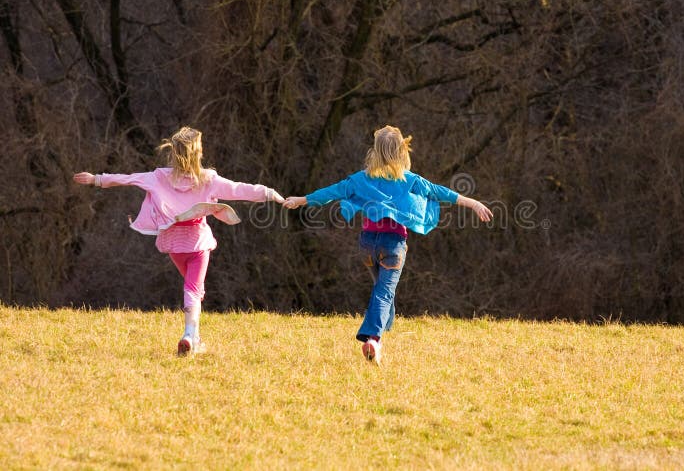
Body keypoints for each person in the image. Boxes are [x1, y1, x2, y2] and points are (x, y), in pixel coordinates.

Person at [284, 125, 492, 365]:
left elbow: (332, 191)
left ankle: (378, 337)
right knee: (384, 292)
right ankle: (373, 338)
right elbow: (440, 192)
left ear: (376, 151)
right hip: (393, 246)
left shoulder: (361, 179)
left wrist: (301, 200)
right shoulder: (410, 180)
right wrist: (473, 203)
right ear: (402, 151)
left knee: (382, 291)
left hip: (367, 245)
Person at [73, 126, 284, 355]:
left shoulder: (159, 177)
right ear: (198, 153)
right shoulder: (208, 179)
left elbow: (128, 179)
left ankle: (196, 339)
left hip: (174, 243)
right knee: (193, 288)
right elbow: (239, 189)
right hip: (197, 243)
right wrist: (269, 193)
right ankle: (188, 335)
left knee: (195, 288)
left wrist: (96, 179)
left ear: (173, 153)